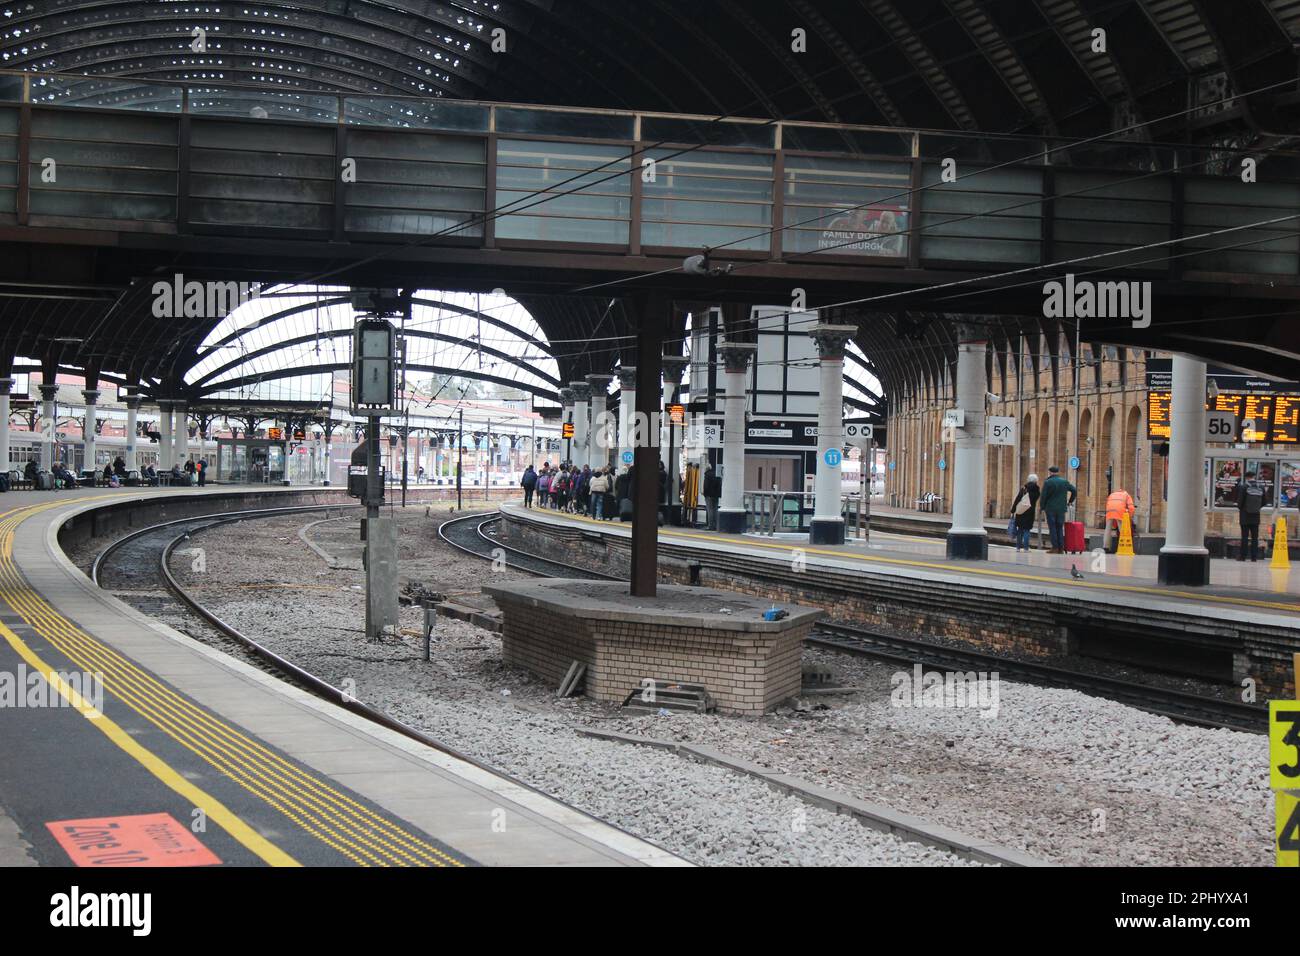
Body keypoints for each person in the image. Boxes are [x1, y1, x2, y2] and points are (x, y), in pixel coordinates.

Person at [1039, 465, 1077, 554]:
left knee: (1052, 528)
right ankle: (1061, 548)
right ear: (1058, 472)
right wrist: (1070, 501)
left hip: (1050, 509)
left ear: (1050, 472)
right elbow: (1074, 490)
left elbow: (1043, 496)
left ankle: (1055, 547)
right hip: (1061, 509)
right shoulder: (1064, 482)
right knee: (1059, 528)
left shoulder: (1048, 482)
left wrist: (1042, 507)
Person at [1236, 469, 1265, 561]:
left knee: (1244, 537)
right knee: (1255, 537)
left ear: (1246, 477)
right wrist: (1257, 508)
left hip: (1245, 516)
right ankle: (1254, 557)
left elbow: (1239, 502)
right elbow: (1265, 501)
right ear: (1254, 477)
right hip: (1256, 516)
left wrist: (1242, 508)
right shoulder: (1261, 487)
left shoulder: (1243, 487)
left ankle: (1243, 556)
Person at [1009, 474, 1040, 552]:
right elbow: (1035, 499)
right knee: (1027, 530)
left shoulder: (1024, 489)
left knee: (1020, 530)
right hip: (1030, 511)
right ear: (1036, 481)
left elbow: (1017, 499)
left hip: (1021, 510)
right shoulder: (1037, 490)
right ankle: (1026, 548)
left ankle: (1018, 548)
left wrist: (1013, 510)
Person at [1103, 487, 1137, 553]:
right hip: (1119, 511)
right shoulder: (1127, 495)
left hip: (1109, 511)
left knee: (1108, 529)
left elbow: (1108, 503)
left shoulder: (1112, 494)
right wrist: (1129, 517)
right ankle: (1124, 546)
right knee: (1122, 529)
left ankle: (1106, 547)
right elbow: (1131, 507)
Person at [703, 464, 722, 531]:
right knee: (715, 510)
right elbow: (719, 484)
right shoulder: (716, 474)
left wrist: (705, 494)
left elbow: (706, 486)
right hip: (716, 495)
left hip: (709, 495)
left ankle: (711, 526)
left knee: (710, 510)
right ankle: (716, 526)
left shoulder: (707, 474)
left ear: (706, 469)